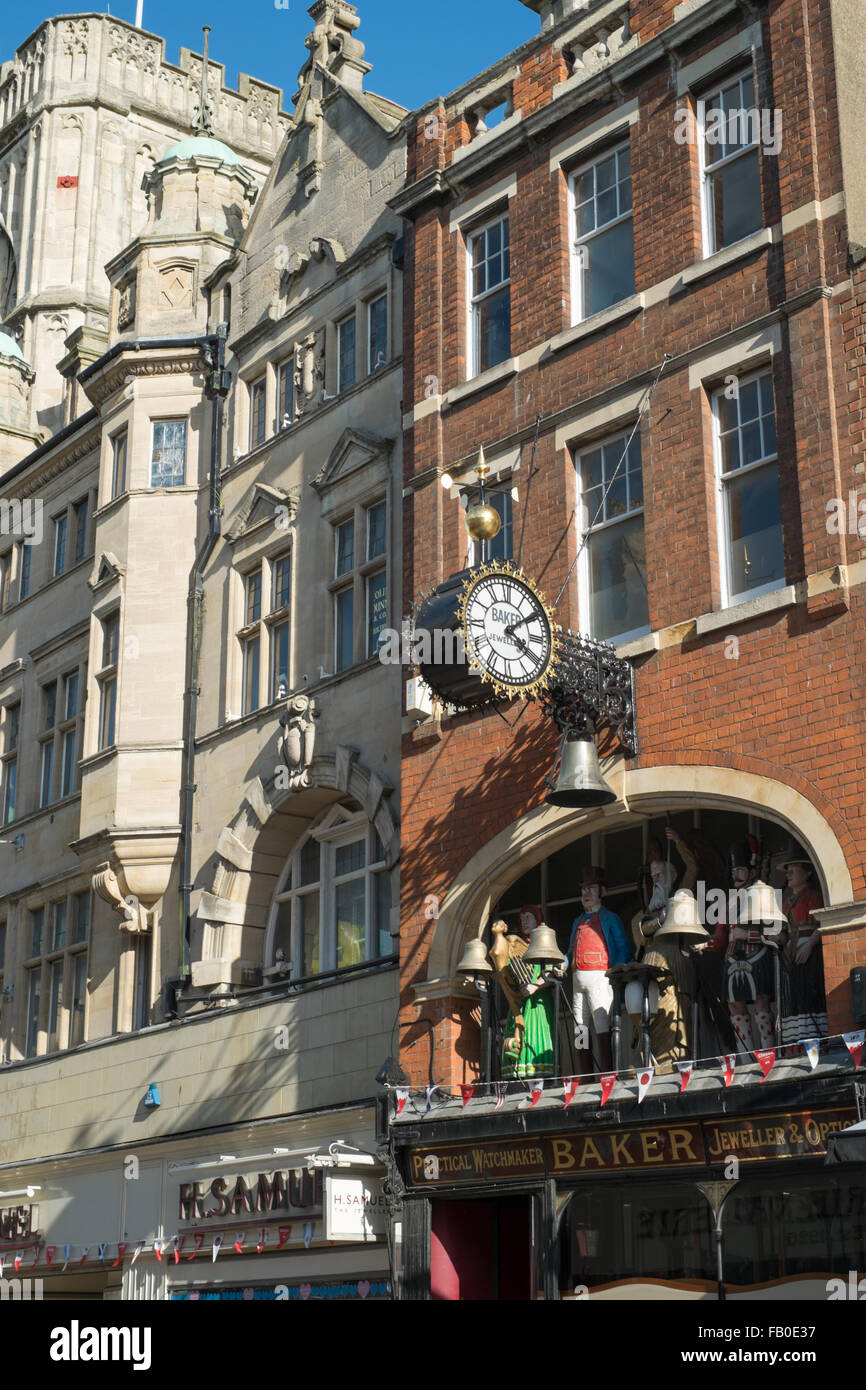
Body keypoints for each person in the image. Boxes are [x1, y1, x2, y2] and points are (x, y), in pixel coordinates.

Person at [712, 836, 780, 1053]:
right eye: (733, 871)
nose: (735, 875)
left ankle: (767, 1054)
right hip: (732, 958)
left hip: (758, 955)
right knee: (735, 1006)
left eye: (740, 869)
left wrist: (747, 935)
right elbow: (721, 936)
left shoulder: (763, 895)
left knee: (761, 1003)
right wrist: (708, 944)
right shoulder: (727, 902)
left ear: (752, 871)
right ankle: (745, 1059)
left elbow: (774, 932)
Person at [567, 869, 631, 1074]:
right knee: (580, 1026)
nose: (587, 894)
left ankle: (607, 1071)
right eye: (584, 890)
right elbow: (570, 950)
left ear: (601, 892)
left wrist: (617, 968)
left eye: (591, 889)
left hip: (600, 977)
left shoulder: (610, 919)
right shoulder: (577, 921)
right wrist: (563, 962)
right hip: (578, 980)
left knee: (602, 1023)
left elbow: (623, 947)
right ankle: (585, 1073)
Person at [489, 905, 557, 1080]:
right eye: (522, 918)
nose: (524, 921)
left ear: (538, 920)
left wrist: (535, 986)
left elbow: (552, 971)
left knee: (536, 1035)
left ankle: (539, 1074)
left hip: (538, 1003)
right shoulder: (515, 946)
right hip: (520, 1003)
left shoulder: (544, 943)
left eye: (529, 917)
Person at [779, 858, 826, 1043]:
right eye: (787, 870)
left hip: (810, 954)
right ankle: (796, 1042)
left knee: (810, 993)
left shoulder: (815, 897)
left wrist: (810, 945)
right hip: (792, 955)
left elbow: (823, 924)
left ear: (807, 873)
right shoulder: (786, 902)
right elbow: (785, 933)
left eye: (793, 869)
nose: (788, 874)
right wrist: (778, 938)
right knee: (794, 998)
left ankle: (814, 1039)